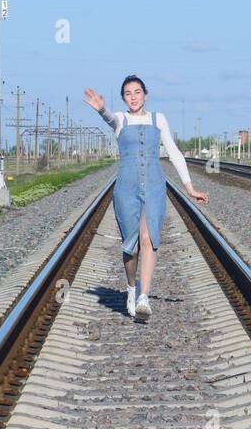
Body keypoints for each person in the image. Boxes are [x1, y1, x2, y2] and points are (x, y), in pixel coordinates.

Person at [83, 75, 208, 318]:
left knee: (148, 236)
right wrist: (101, 110)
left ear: (145, 95)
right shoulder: (120, 119)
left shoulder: (158, 119)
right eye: (128, 93)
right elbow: (110, 118)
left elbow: (173, 152)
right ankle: (131, 288)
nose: (133, 97)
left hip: (153, 185)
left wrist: (189, 188)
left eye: (137, 92)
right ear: (123, 98)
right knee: (130, 247)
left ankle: (143, 297)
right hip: (126, 187)